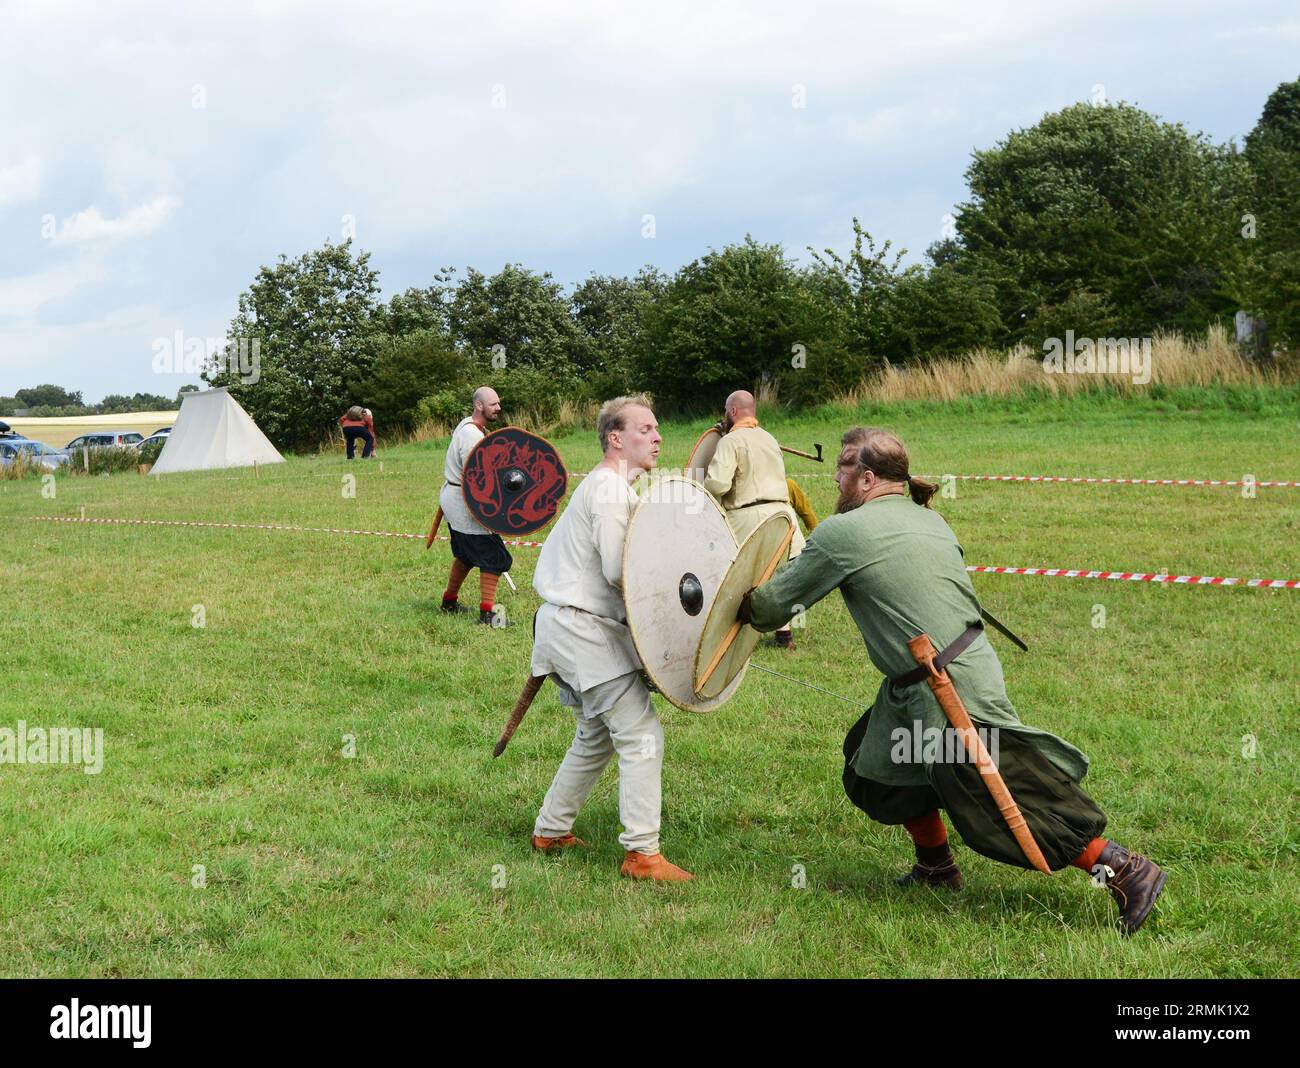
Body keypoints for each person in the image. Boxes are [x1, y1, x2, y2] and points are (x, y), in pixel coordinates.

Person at [738, 427, 1168, 934]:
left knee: (999, 791)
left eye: (844, 467)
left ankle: (1123, 868)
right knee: (876, 766)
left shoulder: (842, 533)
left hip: (947, 684)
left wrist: (732, 599)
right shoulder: (930, 519)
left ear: (868, 478)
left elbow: (769, 609)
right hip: (928, 678)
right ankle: (936, 867)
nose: (835, 476)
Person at [529, 395, 692, 882]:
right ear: (615, 439)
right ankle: (642, 854)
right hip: (582, 630)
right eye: (645, 429)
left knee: (596, 735)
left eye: (657, 427)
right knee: (642, 736)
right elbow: (622, 571)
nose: (658, 436)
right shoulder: (607, 490)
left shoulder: (615, 489)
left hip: (570, 627)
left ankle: (551, 830)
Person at [703, 390, 805, 650]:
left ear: (733, 412)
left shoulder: (731, 442)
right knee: (773, 575)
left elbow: (717, 484)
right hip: (783, 515)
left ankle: (727, 633)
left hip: (749, 517)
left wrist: (701, 486)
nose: (725, 417)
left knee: (735, 576)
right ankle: (784, 635)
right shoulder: (770, 439)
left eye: (727, 412)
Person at [438, 387, 513, 625]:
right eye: (493, 404)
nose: (498, 408)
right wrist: (486, 509)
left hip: (454, 499)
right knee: (494, 556)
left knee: (465, 555)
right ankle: (488, 615)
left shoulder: (469, 427)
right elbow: (479, 476)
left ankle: (449, 602)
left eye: (498, 403)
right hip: (466, 502)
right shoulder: (472, 436)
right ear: (479, 406)